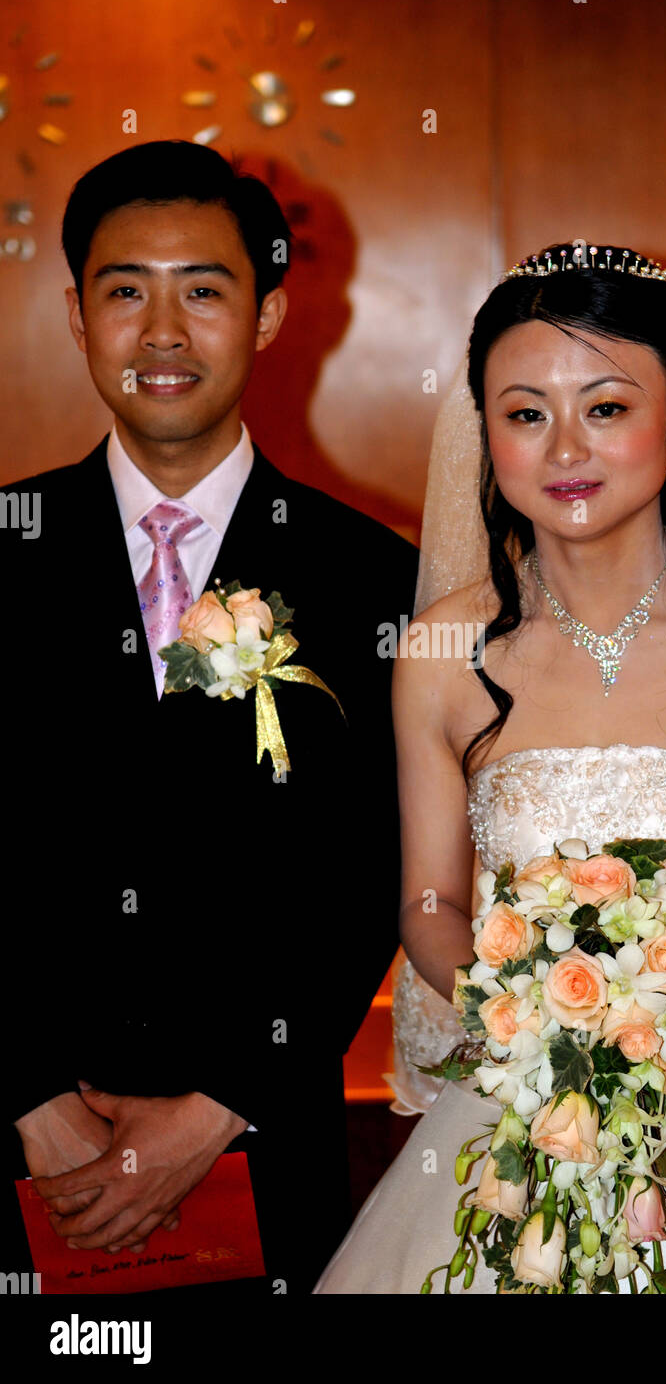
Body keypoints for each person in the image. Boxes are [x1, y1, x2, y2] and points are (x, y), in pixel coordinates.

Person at [315, 240, 666, 1294]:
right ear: (484, 433)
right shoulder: (440, 654)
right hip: (526, 1113)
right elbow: (428, 901)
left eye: (605, 406)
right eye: (524, 413)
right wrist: (515, 1002)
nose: (564, 445)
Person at [0, 139, 418, 1297]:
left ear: (272, 314)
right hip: (24, 1154)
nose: (164, 330)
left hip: (260, 1149)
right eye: (126, 290)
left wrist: (216, 1109)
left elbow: (377, 862)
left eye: (205, 290)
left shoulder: (377, 581)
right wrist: (31, 1096)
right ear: (77, 315)